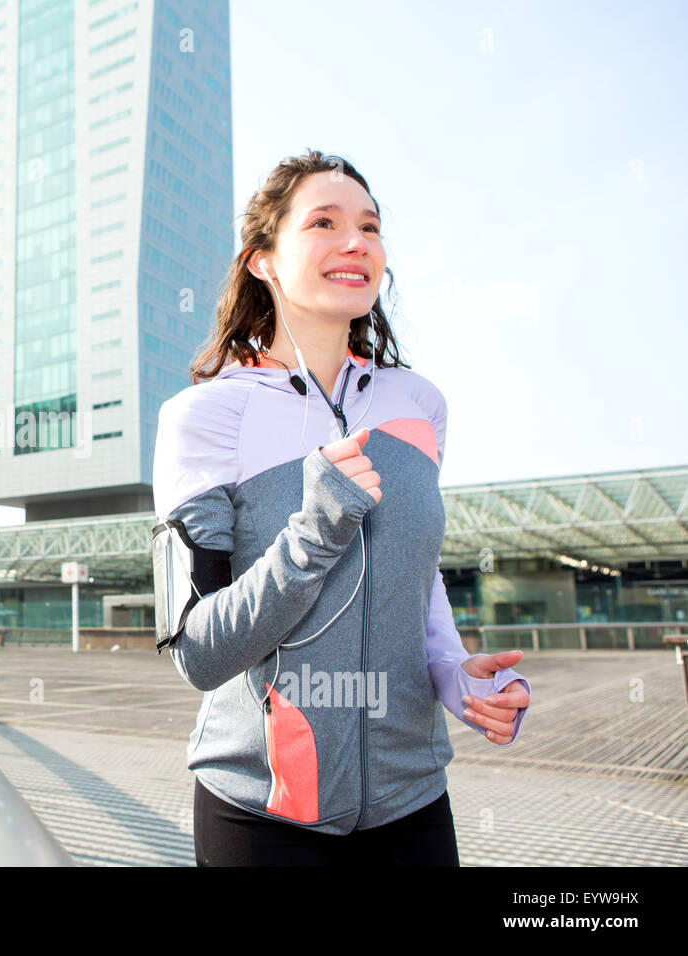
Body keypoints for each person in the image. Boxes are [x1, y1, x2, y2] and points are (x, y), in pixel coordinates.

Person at [151, 149, 532, 867]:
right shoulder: (204, 418)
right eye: (323, 223)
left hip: (413, 800)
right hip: (262, 811)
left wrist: (454, 672)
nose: (356, 242)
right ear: (262, 259)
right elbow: (199, 652)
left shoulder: (419, 407)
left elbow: (419, 576)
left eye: (370, 226)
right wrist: (315, 532)